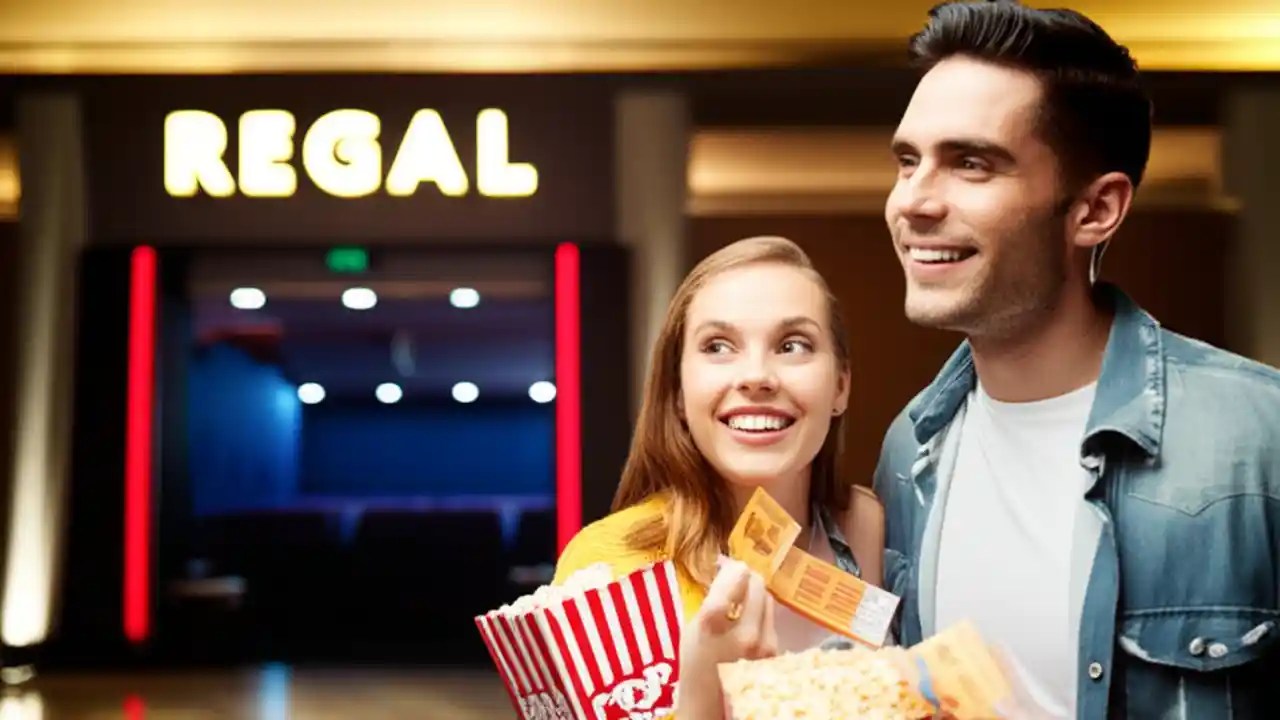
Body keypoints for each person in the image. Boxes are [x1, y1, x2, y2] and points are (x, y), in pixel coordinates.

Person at [874, 1, 1280, 718]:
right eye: (909, 161)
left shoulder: (1260, 437)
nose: (913, 202)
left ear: (1095, 210)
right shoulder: (910, 451)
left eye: (970, 164)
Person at [552, 235, 887, 717]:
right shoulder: (607, 567)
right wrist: (703, 697)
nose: (757, 376)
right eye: (718, 346)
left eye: (792, 345)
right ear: (677, 392)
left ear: (840, 386)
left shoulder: (867, 527)